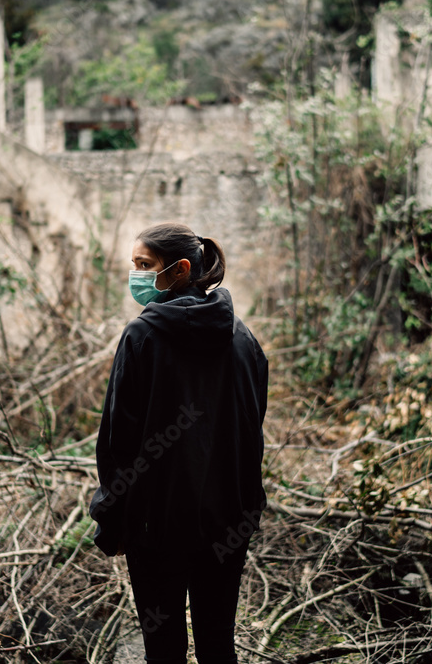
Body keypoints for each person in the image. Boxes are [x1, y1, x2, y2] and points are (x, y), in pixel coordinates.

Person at [89, 222, 268, 664]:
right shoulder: (244, 340)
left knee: (163, 647)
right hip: (229, 526)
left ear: (181, 269)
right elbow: (252, 433)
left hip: (156, 531)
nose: (136, 275)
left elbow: (116, 443)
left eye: (144, 265)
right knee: (217, 643)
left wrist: (112, 522)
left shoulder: (141, 338)